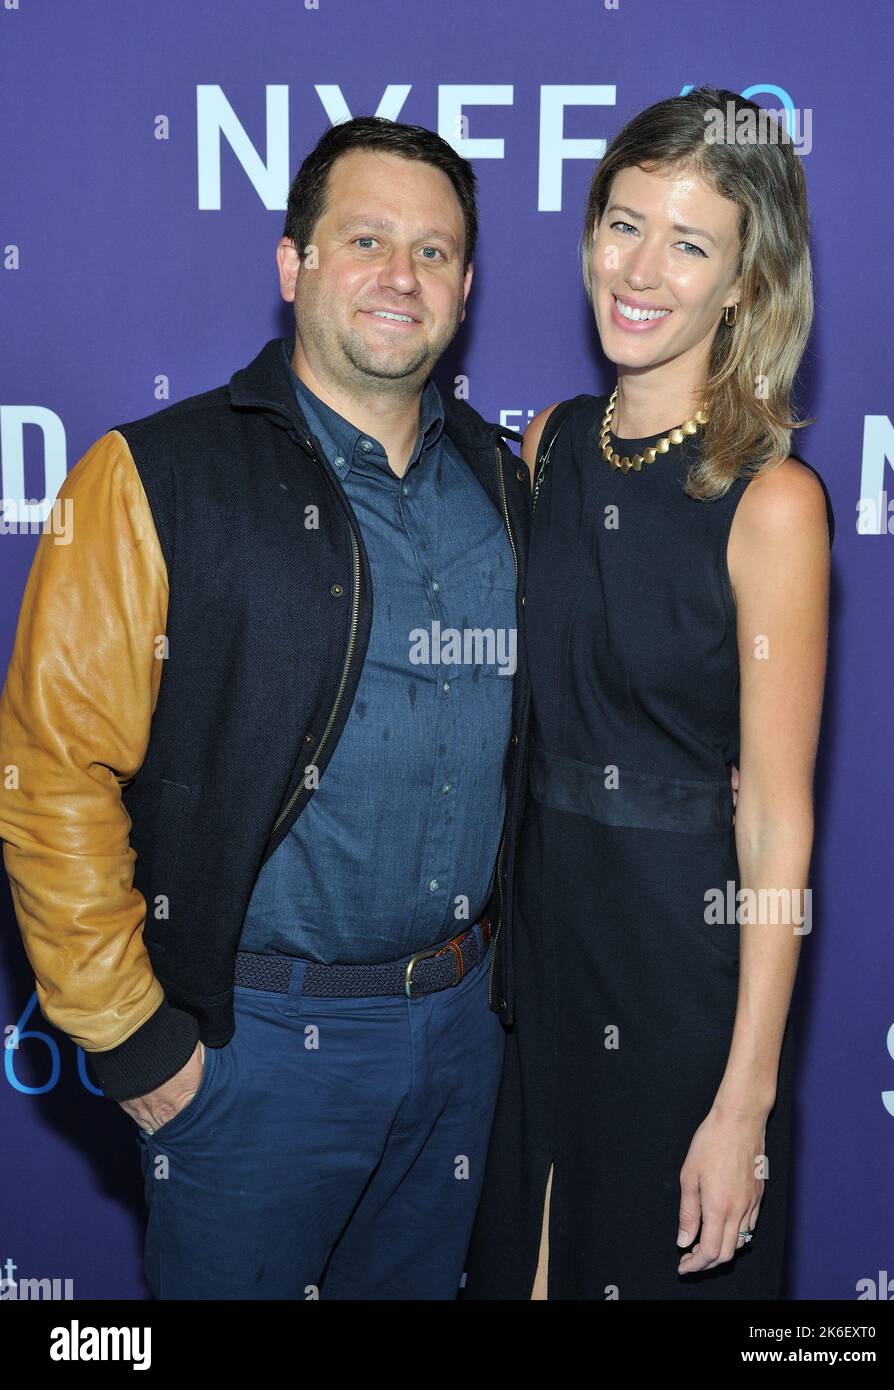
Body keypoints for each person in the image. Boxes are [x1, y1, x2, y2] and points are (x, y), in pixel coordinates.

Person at [0, 116, 533, 1299]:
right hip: (252, 1060)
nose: (401, 276)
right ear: (291, 267)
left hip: (460, 1043)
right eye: (365, 240)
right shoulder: (151, 474)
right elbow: (51, 770)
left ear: (465, 290)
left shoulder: (506, 484)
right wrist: (136, 1040)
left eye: (434, 252)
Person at [460, 87, 835, 1301]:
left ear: (742, 282)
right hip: (535, 963)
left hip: (678, 972)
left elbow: (775, 821)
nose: (641, 269)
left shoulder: (771, 500)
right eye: (624, 224)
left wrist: (745, 1100)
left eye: (689, 243)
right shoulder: (549, 446)